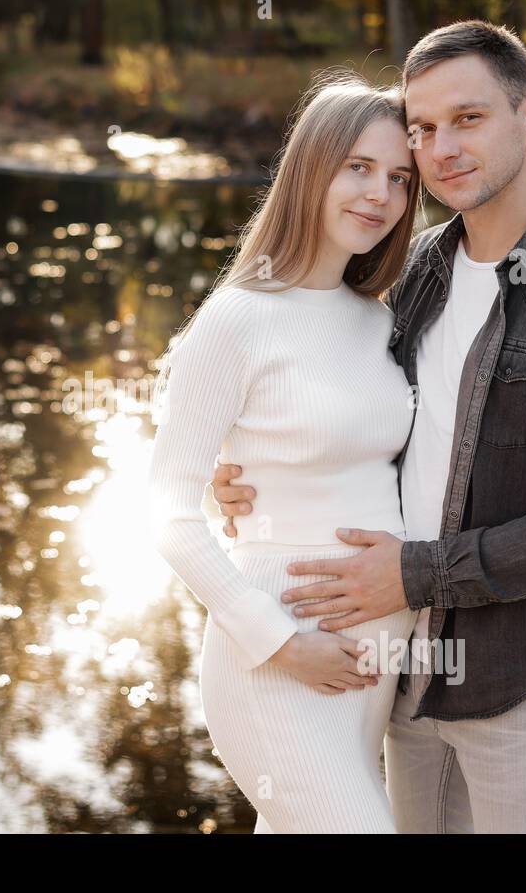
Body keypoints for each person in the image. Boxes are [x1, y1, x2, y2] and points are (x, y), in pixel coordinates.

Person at [210, 21, 526, 833]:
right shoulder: (417, 266)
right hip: (406, 673)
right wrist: (250, 468)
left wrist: (420, 573)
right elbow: (346, 406)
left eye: (469, 118)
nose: (440, 148)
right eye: (422, 128)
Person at [147, 70, 423, 832]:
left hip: (372, 661)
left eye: (399, 178)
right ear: (311, 169)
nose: (379, 195)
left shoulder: (375, 319)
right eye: (358, 168)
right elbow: (166, 510)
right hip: (278, 657)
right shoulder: (238, 317)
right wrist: (280, 643)